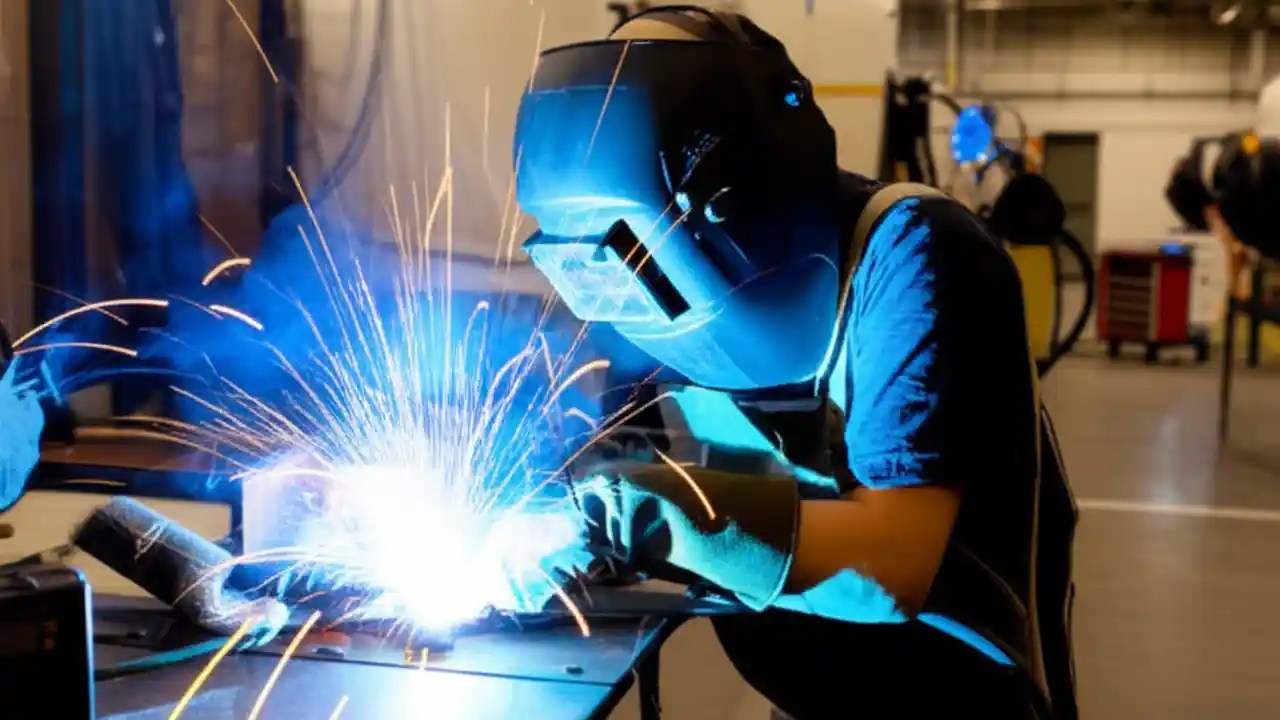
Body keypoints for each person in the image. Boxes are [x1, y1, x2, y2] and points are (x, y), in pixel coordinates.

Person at [512, 7, 1076, 718]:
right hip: (808, 686)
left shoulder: (913, 255)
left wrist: (637, 509)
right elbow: (610, 452)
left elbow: (893, 565)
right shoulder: (639, 270)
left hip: (953, 695)